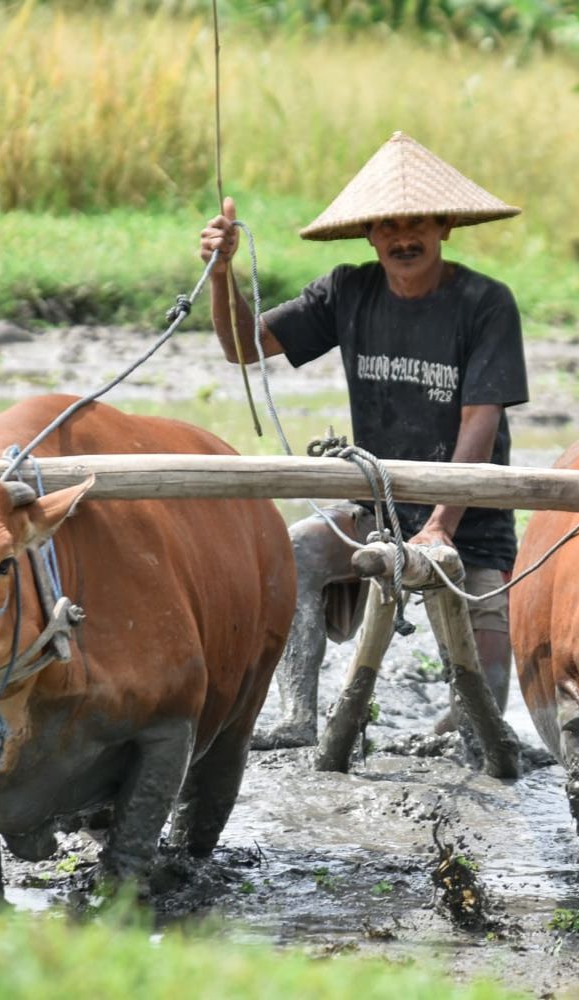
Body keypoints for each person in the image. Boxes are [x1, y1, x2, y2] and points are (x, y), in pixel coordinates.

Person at [199, 131, 528, 749]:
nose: (404, 237)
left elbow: (480, 420)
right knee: (296, 553)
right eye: (388, 226)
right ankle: (298, 716)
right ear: (369, 235)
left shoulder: (485, 304)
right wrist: (222, 276)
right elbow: (244, 347)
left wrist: (439, 526)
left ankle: (470, 721)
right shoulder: (347, 291)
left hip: (470, 523)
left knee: (480, 730)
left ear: (446, 227)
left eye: (418, 223)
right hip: (375, 512)